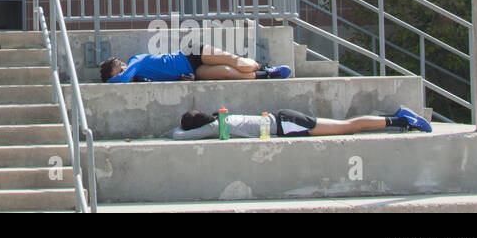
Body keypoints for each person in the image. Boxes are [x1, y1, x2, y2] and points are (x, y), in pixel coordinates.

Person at [171, 106, 432, 139]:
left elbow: (178, 136)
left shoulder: (218, 127)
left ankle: (401, 119)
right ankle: (395, 119)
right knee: (347, 125)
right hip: (283, 120)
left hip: (287, 125)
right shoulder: (221, 118)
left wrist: (179, 129)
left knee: (348, 127)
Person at [99, 49, 291, 83]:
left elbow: (122, 79)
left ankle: (264, 66)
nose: (124, 73)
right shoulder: (141, 79)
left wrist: (111, 80)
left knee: (237, 62)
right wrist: (182, 78)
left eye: (121, 69)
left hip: (192, 55)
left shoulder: (135, 61)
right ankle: (268, 75)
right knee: (228, 73)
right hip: (192, 72)